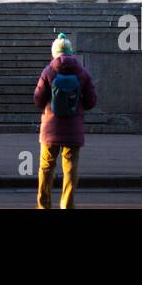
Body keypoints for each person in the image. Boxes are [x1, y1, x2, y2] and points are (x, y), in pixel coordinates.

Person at [33, 33, 97, 209]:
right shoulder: (82, 73)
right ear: (71, 52)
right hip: (73, 127)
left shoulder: (48, 71)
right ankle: (67, 205)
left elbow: (38, 100)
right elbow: (91, 102)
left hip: (50, 128)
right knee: (70, 167)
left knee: (46, 167)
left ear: (55, 53)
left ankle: (43, 205)